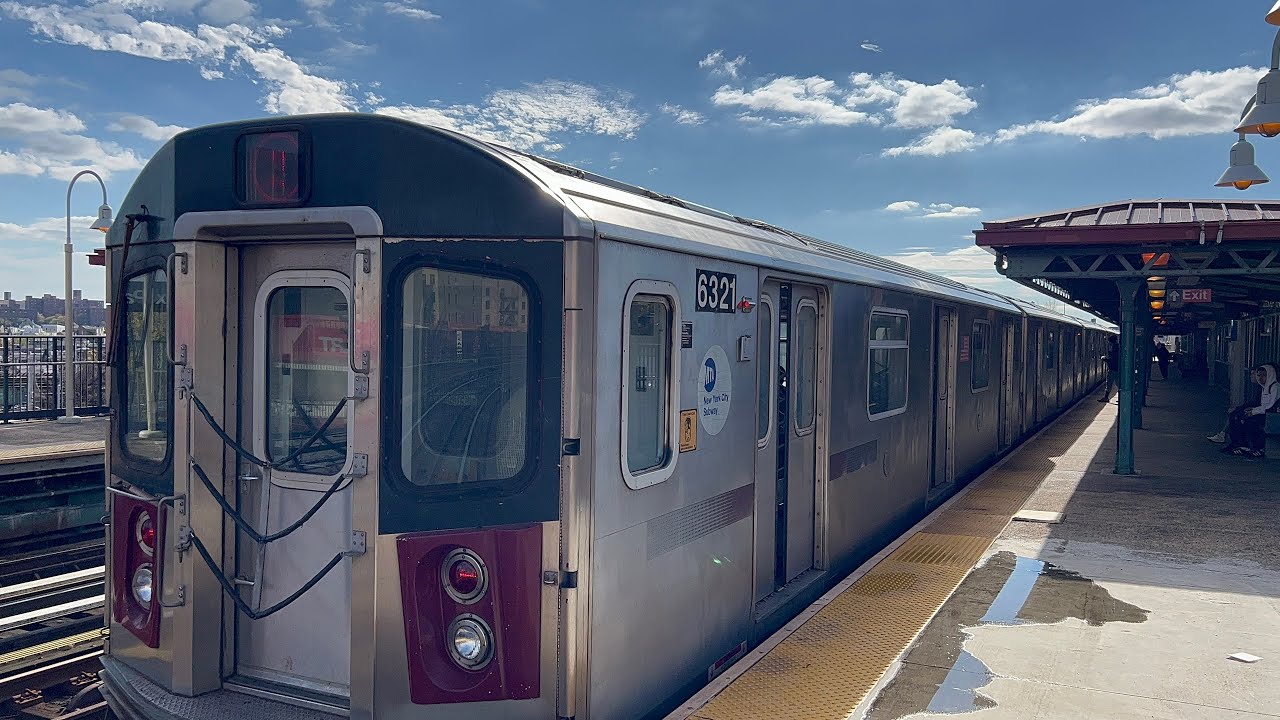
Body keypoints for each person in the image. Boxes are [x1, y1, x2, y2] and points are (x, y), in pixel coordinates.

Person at [1208, 364, 1279, 458]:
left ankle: (1252, 446)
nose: (1261, 378)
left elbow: (1269, 407)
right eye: (1259, 375)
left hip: (1272, 416)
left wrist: (1253, 411)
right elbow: (1262, 405)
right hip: (1264, 413)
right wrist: (1252, 410)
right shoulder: (1264, 387)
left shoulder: (1275, 387)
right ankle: (1238, 444)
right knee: (1237, 417)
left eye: (1264, 375)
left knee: (1248, 421)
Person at [1098, 336, 1119, 402]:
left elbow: (1114, 359)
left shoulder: (1115, 348)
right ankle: (1119, 397)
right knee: (1117, 383)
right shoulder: (1117, 347)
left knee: (1110, 383)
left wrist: (1106, 359)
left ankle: (1106, 397)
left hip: (1113, 368)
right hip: (1116, 368)